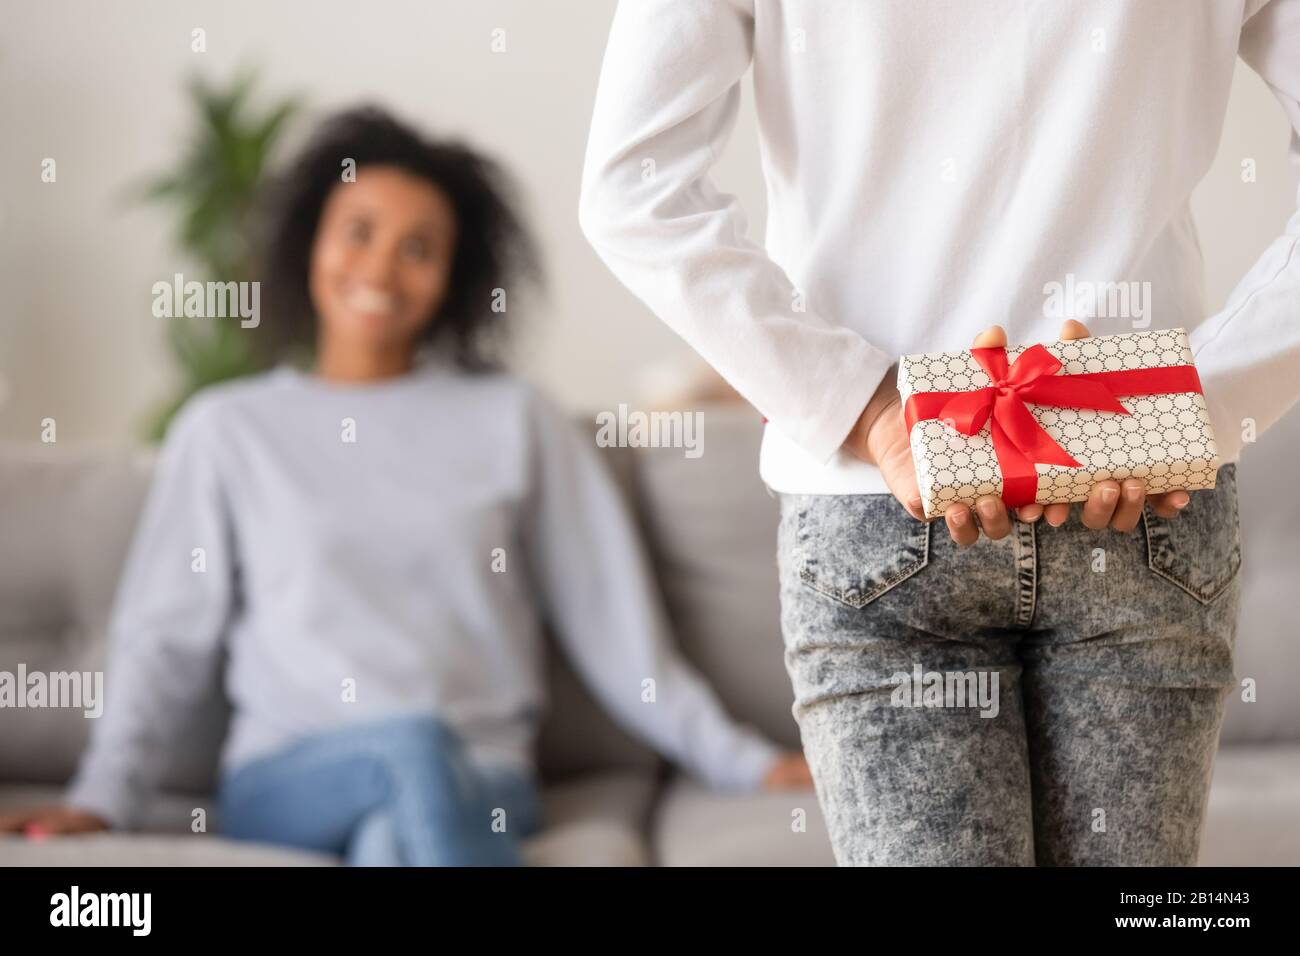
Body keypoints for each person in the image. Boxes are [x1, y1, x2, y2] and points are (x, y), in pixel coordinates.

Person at [578, 1, 1300, 865]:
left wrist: (867, 405)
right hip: (1134, 495)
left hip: (876, 506)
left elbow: (633, 187)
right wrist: (1186, 401)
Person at [0, 106, 810, 866]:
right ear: (307, 243)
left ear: (453, 277)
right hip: (286, 780)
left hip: (482, 780)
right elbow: (162, 641)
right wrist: (101, 800)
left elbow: (617, 631)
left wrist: (743, 762)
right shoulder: (227, 431)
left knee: (397, 835)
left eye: (419, 247)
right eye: (359, 232)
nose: (383, 266)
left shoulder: (515, 419)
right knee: (408, 752)